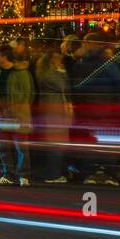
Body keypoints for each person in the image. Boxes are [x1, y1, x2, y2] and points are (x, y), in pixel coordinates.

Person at [72, 32, 120, 185]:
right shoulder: (107, 62)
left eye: (85, 43)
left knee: (90, 141)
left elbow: (75, 86)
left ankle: (90, 171)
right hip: (105, 108)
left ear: (92, 44)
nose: (83, 46)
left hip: (88, 108)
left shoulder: (81, 63)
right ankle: (108, 172)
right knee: (105, 141)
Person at [0, 44, 34, 186]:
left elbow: (27, 94)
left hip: (18, 116)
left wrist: (13, 111)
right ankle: (8, 174)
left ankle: (23, 175)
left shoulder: (21, 72)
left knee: (21, 147)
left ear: (4, 57)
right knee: (4, 147)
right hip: (2, 116)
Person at [35, 49, 72, 183]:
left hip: (54, 110)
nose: (60, 61)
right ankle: (53, 174)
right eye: (57, 58)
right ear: (51, 60)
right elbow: (62, 86)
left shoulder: (44, 72)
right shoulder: (49, 74)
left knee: (56, 143)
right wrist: (62, 73)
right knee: (56, 143)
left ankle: (55, 171)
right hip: (54, 112)